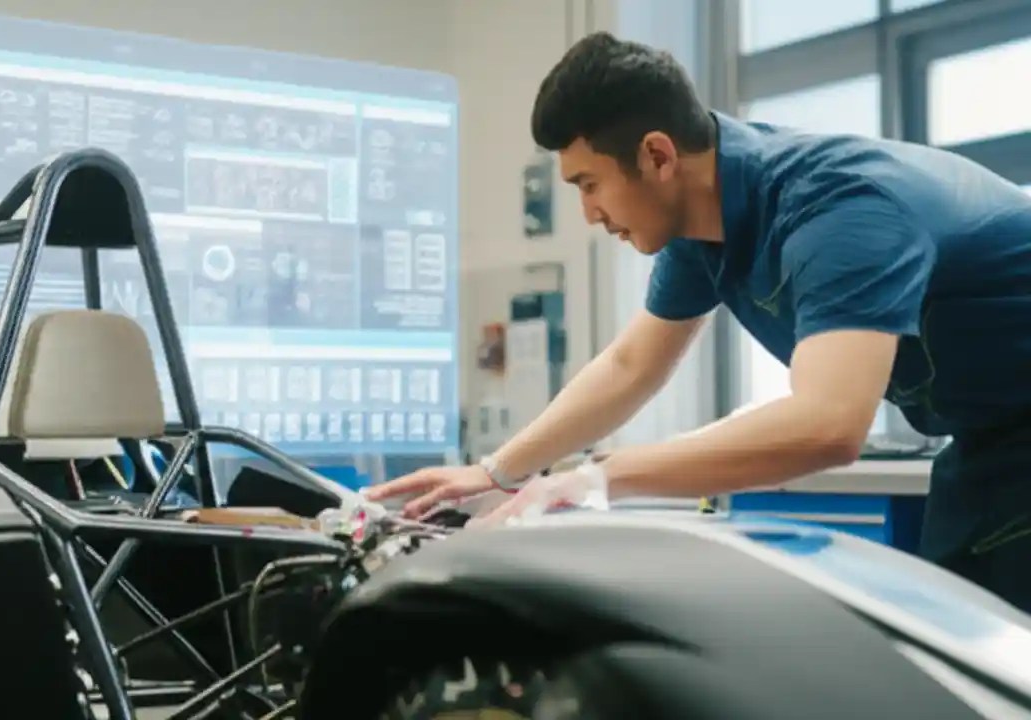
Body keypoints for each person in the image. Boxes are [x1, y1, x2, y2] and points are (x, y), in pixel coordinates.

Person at [366, 31, 1031, 613]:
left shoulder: (841, 213)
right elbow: (632, 366)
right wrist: (499, 473)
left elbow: (827, 425)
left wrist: (596, 479)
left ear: (657, 156)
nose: (589, 215)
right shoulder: (703, 228)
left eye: (588, 184)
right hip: (986, 448)